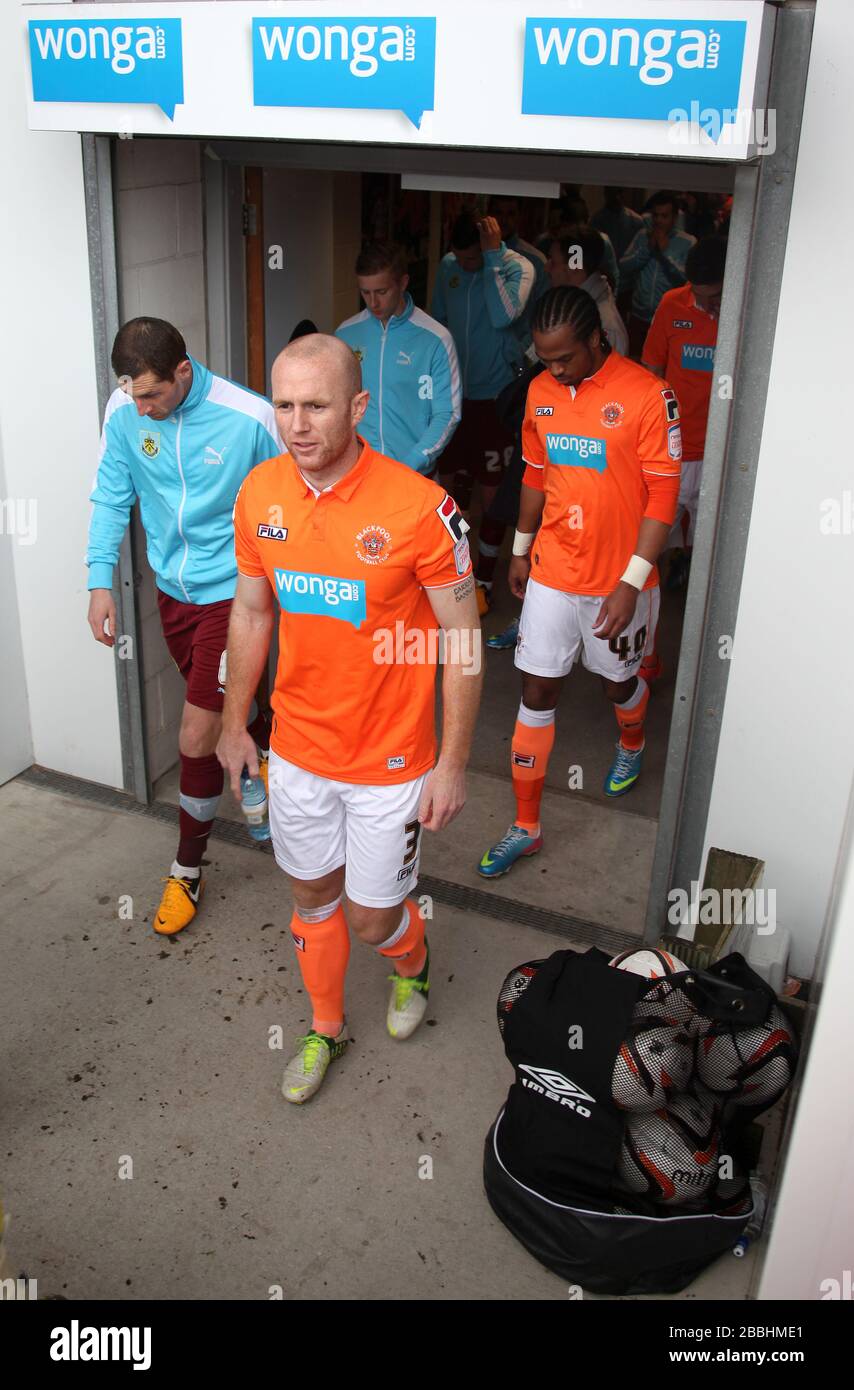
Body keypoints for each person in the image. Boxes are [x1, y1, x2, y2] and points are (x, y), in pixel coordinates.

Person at [217, 334, 482, 1104]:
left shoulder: (420, 507)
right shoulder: (260, 493)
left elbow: (464, 641)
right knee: (311, 899)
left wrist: (453, 763)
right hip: (298, 748)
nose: (298, 424)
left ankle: (413, 962)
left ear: (358, 407)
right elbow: (251, 609)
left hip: (392, 760)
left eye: (318, 405)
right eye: (286, 405)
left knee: (372, 918)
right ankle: (325, 1026)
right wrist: (238, 725)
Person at [477, 287, 681, 880]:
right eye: (545, 359)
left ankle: (634, 740)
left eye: (565, 358)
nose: (555, 370)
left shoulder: (648, 396)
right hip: (553, 572)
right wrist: (519, 549)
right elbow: (536, 475)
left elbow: (663, 501)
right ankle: (526, 825)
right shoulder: (541, 392)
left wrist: (630, 584)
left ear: (597, 340)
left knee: (617, 687)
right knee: (537, 691)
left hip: (620, 582)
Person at [86, 318, 281, 935]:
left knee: (197, 733)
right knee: (229, 705)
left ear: (183, 372)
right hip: (173, 594)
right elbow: (112, 495)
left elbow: (295, 500)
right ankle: (264, 751)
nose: (140, 406)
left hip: (236, 597)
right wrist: (99, 580)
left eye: (152, 394)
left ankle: (187, 869)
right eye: (131, 393)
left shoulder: (249, 418)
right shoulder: (124, 412)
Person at [432, 212, 534, 614]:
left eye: (472, 259)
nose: (466, 267)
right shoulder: (449, 267)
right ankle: (451, 575)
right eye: (460, 259)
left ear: (489, 245)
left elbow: (504, 315)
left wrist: (491, 261)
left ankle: (484, 579)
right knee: (452, 490)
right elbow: (439, 322)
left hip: (495, 396)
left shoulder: (516, 267)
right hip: (457, 395)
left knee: (493, 493)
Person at [640, 236, 726, 671]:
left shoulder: (745, 312)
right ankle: (647, 656)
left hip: (723, 458)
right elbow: (652, 372)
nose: (703, 302)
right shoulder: (673, 306)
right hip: (672, 457)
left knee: (716, 558)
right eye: (698, 293)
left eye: (712, 296)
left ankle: (710, 662)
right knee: (650, 552)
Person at [335, 241, 461, 475]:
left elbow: (447, 413)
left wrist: (412, 463)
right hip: (357, 472)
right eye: (365, 292)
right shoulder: (345, 334)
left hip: (413, 473)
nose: (373, 302)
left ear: (403, 283)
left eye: (382, 292)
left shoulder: (435, 339)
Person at [619, 191, 696, 358]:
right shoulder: (642, 236)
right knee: (634, 364)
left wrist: (664, 253)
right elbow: (624, 266)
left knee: (661, 364)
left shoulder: (688, 242)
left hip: (670, 317)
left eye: (664, 216)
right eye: (656, 215)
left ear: (674, 217)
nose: (659, 220)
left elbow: (686, 280)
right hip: (639, 316)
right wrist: (647, 249)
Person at [546, 225, 629, 357]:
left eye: (554, 262)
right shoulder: (570, 305)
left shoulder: (605, 325)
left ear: (574, 264)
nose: (547, 268)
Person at [591, 187, 645, 261]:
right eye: (612, 193)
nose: (616, 197)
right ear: (606, 194)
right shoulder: (596, 220)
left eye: (619, 192)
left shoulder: (636, 221)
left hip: (630, 269)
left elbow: (640, 251)